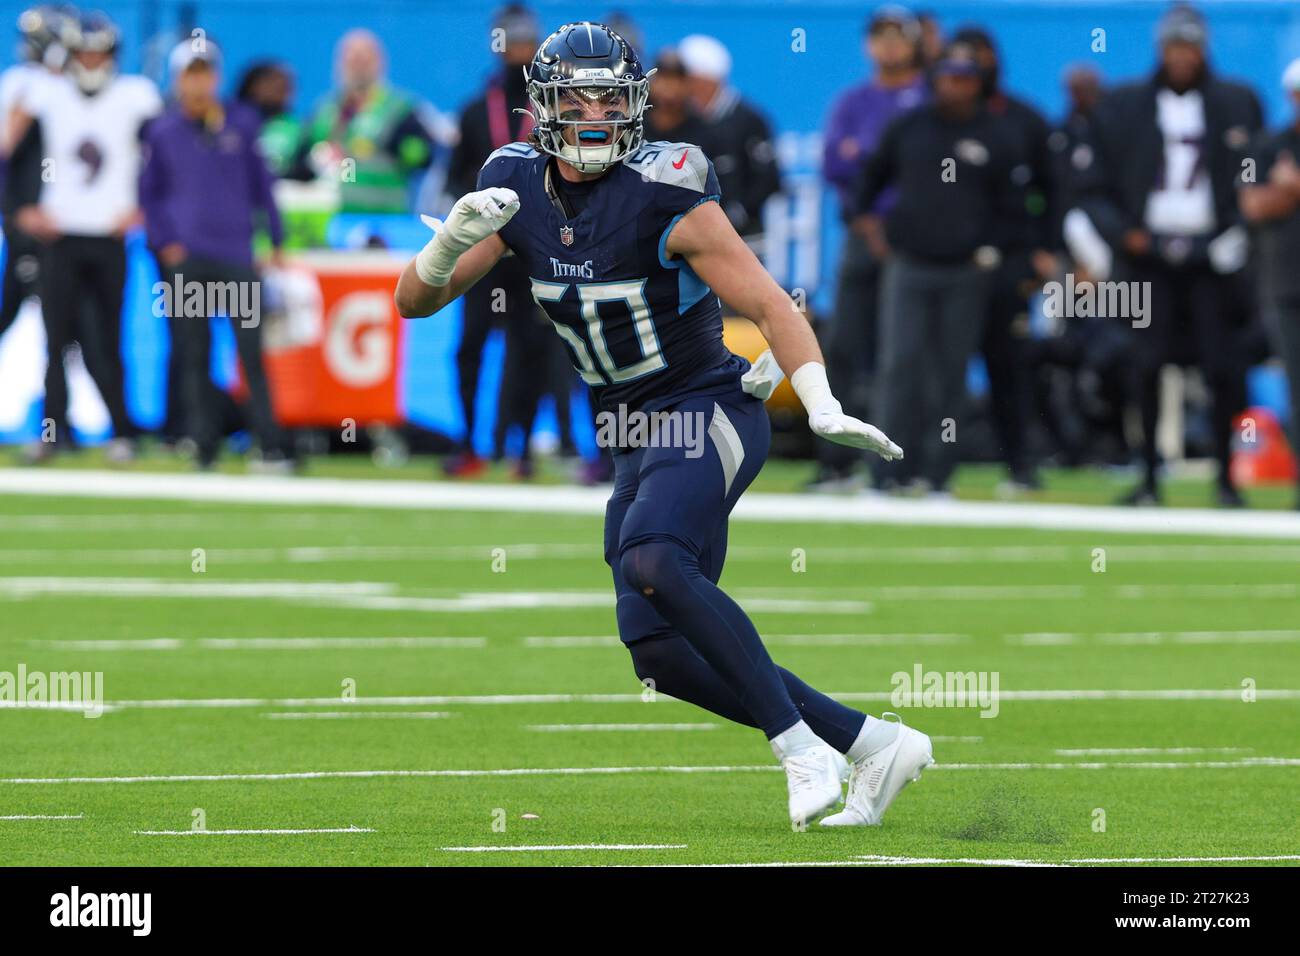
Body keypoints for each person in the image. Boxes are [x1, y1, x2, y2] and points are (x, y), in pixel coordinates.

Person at [394, 21, 932, 828]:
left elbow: (765, 300)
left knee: (654, 556)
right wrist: (446, 249)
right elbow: (414, 301)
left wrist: (818, 402)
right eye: (579, 95)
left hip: (705, 406)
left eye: (611, 95)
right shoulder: (511, 187)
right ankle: (869, 743)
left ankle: (799, 748)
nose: (596, 111)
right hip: (629, 430)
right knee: (656, 649)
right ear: (543, 104)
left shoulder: (667, 190)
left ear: (636, 102)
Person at [1074, 3, 1262, 507]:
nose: (1183, 57)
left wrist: (1236, 229)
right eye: (1175, 47)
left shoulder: (1237, 102)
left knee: (1224, 366)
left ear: (1203, 50)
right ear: (1161, 49)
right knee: (1145, 365)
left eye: (1191, 47)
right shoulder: (1124, 105)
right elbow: (1093, 187)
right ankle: (1151, 477)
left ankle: (1226, 478)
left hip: (1212, 256)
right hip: (1148, 256)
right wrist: (1125, 236)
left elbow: (1251, 172)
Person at [854, 40, 1018, 496]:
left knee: (950, 372)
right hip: (909, 265)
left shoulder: (996, 135)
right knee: (898, 366)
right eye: (949, 76)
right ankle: (884, 472)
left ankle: (937, 473)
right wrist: (873, 234)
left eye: (966, 78)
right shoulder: (909, 128)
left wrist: (992, 250)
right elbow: (866, 184)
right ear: (935, 79)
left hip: (965, 270)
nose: (956, 86)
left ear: (978, 83)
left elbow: (1015, 206)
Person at [12, 10, 161, 463]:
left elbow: (164, 155)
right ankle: (55, 431)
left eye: (100, 53)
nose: (93, 63)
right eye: (85, 53)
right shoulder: (46, 93)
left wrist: (143, 209)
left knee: (108, 339)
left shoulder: (136, 96)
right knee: (54, 339)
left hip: (108, 234)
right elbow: (12, 151)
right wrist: (22, 209)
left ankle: (122, 431)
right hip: (61, 234)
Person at [138, 39, 290, 472]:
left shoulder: (241, 124)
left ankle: (270, 445)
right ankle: (203, 444)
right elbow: (149, 195)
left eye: (206, 73)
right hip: (190, 260)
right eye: (191, 73)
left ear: (217, 77)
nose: (199, 82)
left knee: (250, 353)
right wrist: (166, 243)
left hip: (235, 256)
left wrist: (274, 240)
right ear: (178, 79)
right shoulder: (163, 131)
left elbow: (263, 185)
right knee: (194, 354)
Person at [811, 5, 925, 492]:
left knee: (903, 354)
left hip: (915, 242)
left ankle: (897, 466)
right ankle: (835, 463)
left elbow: (917, 172)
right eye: (881, 37)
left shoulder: (926, 100)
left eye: (898, 36)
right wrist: (871, 215)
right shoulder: (854, 100)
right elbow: (837, 163)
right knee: (844, 345)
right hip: (862, 235)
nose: (890, 46)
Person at [443, 4, 554, 478]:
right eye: (510, 40)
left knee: (529, 348)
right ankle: (469, 444)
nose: (518, 50)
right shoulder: (475, 111)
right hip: (483, 248)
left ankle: (522, 449)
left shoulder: (551, 111)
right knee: (469, 347)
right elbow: (453, 179)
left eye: (526, 41)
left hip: (528, 251)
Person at [954, 26, 1059, 492]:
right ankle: (925, 466)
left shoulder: (1023, 120)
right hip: (950, 263)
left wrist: (1045, 249)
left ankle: (1021, 464)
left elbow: (1053, 190)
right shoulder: (937, 121)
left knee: (1010, 366)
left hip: (1010, 261)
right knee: (935, 369)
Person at [1240, 58, 1300, 510]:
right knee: (1296, 386)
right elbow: (1253, 205)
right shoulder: (1262, 147)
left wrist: (1293, 189)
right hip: (1286, 283)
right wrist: (1280, 193)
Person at [290, 29, 434, 214]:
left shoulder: (399, 109)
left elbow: (423, 156)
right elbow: (300, 160)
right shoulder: (325, 109)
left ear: (379, 62)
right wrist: (317, 158)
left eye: (364, 60)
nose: (358, 67)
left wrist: (399, 147)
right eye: (352, 60)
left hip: (382, 217)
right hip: (332, 215)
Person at [0, 3, 71, 346]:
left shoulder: (74, 88)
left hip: (66, 218)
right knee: (14, 303)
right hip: (26, 214)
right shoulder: (23, 82)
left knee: (69, 318)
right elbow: (5, 147)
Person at [677, 33, 781, 246]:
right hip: (696, 238)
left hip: (744, 238)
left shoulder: (748, 119)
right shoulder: (684, 119)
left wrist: (739, 211)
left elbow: (769, 176)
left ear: (705, 81)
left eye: (687, 79)